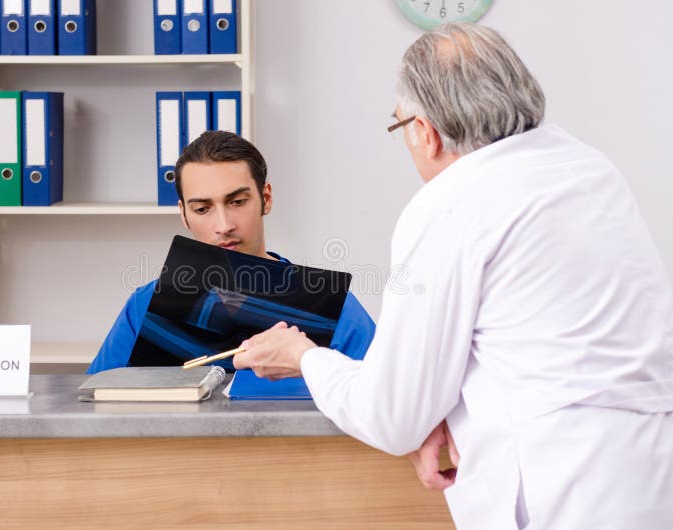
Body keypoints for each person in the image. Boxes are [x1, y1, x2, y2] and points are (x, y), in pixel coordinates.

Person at [234, 23, 673, 529]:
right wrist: (440, 410)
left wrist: (302, 357)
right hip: (651, 479)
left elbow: (392, 415)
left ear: (425, 131)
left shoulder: (451, 203)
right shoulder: (588, 170)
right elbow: (538, 343)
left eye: (399, 127)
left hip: (567, 494)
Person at [87, 131, 376, 374]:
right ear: (184, 215)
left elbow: (383, 407)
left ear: (266, 199)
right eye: (202, 209)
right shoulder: (144, 305)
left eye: (237, 202)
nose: (223, 226)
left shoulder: (335, 309)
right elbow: (94, 406)